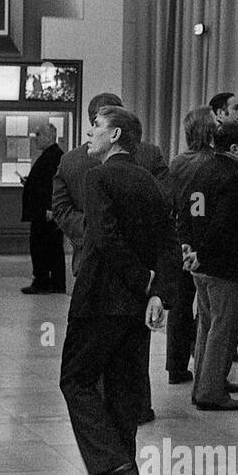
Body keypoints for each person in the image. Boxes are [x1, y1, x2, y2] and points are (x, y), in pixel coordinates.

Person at [59, 106, 178, 475]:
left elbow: (106, 238)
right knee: (125, 389)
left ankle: (112, 464)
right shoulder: (150, 182)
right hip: (136, 307)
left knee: (76, 379)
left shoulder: (99, 177)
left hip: (99, 300)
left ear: (115, 136)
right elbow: (167, 242)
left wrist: (143, 281)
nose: (90, 133)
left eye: (97, 127)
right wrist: (158, 290)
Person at [53, 91, 167, 425]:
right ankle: (130, 409)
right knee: (129, 348)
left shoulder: (78, 162)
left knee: (93, 350)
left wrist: (89, 235)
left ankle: (116, 418)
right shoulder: (77, 161)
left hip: (100, 269)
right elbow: (165, 208)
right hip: (131, 267)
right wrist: (96, 234)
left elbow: (62, 209)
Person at [179, 122, 238, 410]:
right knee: (224, 327)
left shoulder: (201, 168)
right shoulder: (232, 177)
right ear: (234, 149)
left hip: (200, 262)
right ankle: (211, 391)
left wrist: (189, 245)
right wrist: (205, 252)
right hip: (223, 263)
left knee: (207, 325)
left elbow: (189, 209)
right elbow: (223, 224)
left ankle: (206, 382)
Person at [164, 106, 218, 384]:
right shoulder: (214, 163)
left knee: (180, 305)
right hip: (205, 241)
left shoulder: (177, 162)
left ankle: (175, 365)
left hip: (178, 238)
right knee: (210, 309)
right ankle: (207, 369)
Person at [19, 123, 66, 294]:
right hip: (43, 211)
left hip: (46, 213)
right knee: (46, 247)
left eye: (38, 134)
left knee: (45, 247)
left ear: (48, 136)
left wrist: (51, 208)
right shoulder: (50, 156)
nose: (36, 138)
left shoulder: (54, 157)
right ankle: (50, 281)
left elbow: (54, 185)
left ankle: (45, 281)